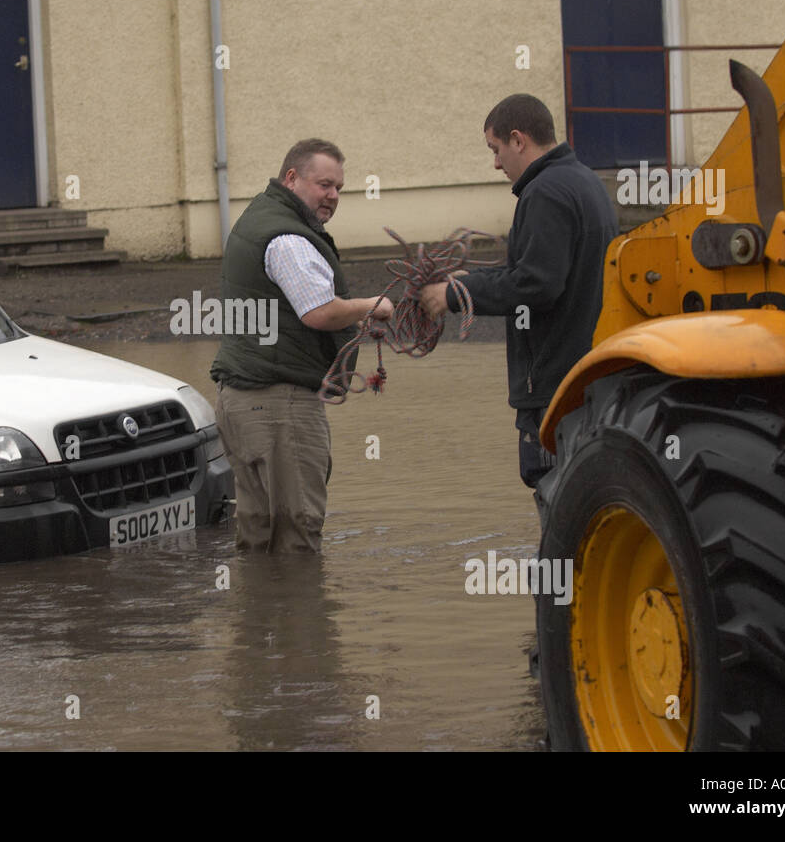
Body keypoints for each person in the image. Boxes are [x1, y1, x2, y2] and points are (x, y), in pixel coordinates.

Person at [421, 94, 617, 492]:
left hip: (555, 387)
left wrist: (456, 294)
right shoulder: (584, 182)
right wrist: (471, 277)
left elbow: (537, 285)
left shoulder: (544, 191)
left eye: (496, 150)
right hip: (590, 376)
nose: (495, 164)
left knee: (557, 497)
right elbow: (540, 269)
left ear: (518, 139)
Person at [210, 138, 393, 552]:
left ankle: (258, 613)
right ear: (291, 178)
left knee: (257, 535)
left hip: (238, 401)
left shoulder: (259, 216)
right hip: (280, 406)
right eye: (324, 184)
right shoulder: (287, 238)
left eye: (339, 189)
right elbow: (319, 312)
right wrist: (371, 305)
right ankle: (304, 615)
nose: (332, 197)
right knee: (297, 537)